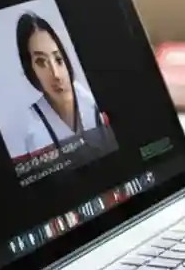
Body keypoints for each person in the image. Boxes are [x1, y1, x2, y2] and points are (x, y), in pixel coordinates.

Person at [17, 12, 116, 159]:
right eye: (41, 62)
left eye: (58, 59)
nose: (55, 74)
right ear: (31, 70)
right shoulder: (33, 131)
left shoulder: (95, 103)